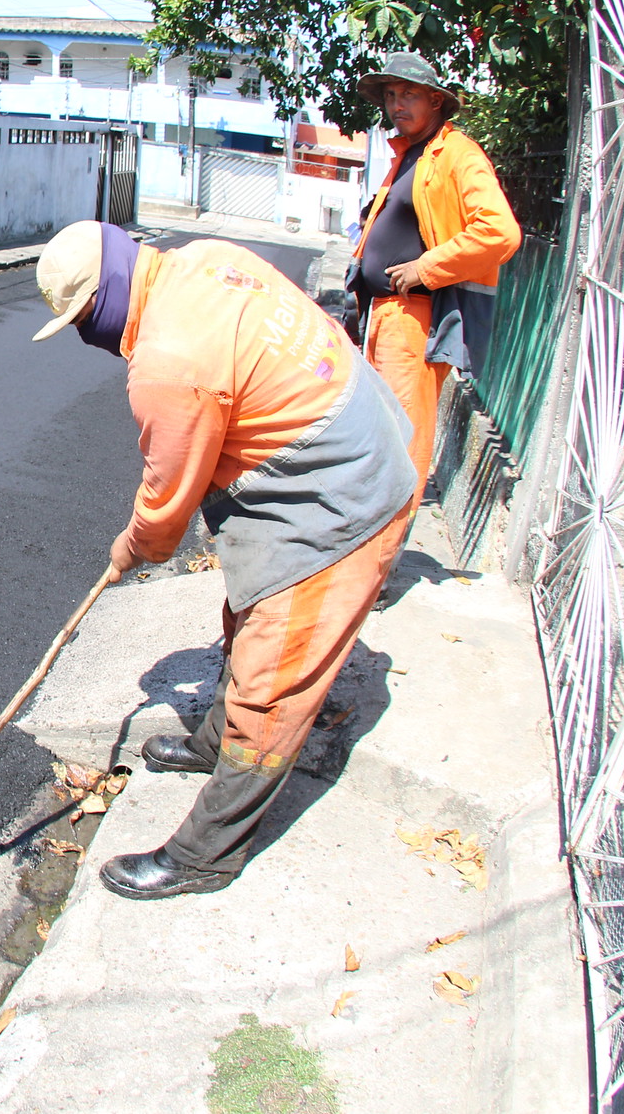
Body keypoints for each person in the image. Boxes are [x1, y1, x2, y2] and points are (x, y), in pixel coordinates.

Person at [31, 220, 416, 900]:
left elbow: (164, 511)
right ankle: (215, 737)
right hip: (338, 442)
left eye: (81, 320)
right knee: (246, 612)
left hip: (343, 494)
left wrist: (128, 551)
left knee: (273, 676)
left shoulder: (167, 361)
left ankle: (207, 851)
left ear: (98, 303)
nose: (90, 337)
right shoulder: (200, 260)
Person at [349, 52, 521, 511]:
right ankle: (367, 552)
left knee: (402, 446)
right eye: (390, 95)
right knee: (377, 441)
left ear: (437, 102)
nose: (396, 104)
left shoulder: (457, 153)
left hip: (415, 321)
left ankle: (379, 564)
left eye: (409, 94)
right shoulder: (409, 155)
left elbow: (499, 231)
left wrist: (425, 268)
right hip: (384, 318)